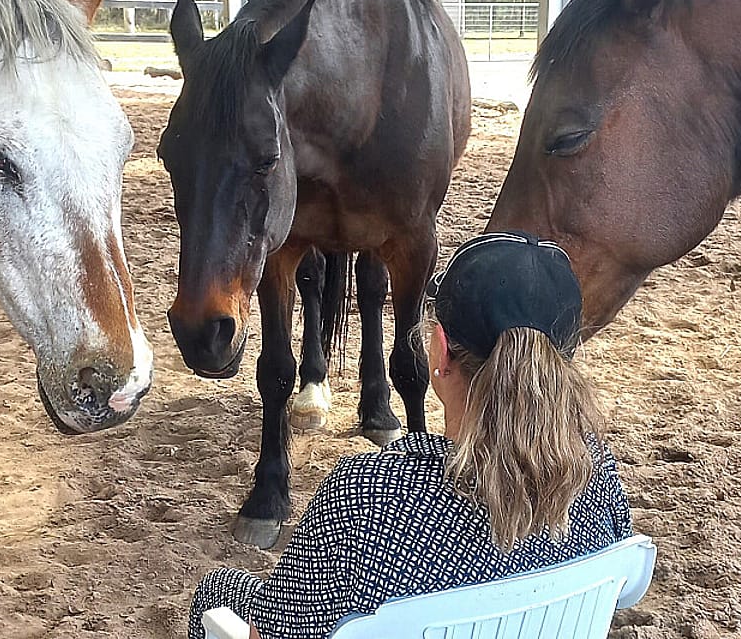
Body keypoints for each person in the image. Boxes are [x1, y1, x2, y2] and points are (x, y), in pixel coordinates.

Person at [188, 231, 632, 639]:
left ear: (438, 352)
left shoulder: (368, 497)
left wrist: (223, 590)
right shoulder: (600, 474)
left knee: (217, 594)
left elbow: (280, 626)